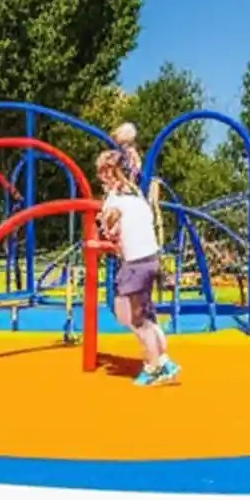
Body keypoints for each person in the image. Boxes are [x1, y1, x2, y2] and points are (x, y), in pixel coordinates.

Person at [95, 150, 179, 386]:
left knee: (134, 318)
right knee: (143, 313)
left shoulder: (114, 199)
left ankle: (154, 367)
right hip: (151, 259)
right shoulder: (136, 194)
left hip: (135, 263)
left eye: (101, 171)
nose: (99, 176)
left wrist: (104, 227)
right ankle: (162, 359)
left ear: (109, 173)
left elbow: (108, 224)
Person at [111, 122, 143, 187]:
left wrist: (135, 170)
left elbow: (138, 162)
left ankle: (129, 184)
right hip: (122, 179)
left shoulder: (130, 150)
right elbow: (116, 167)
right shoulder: (118, 150)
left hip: (128, 177)